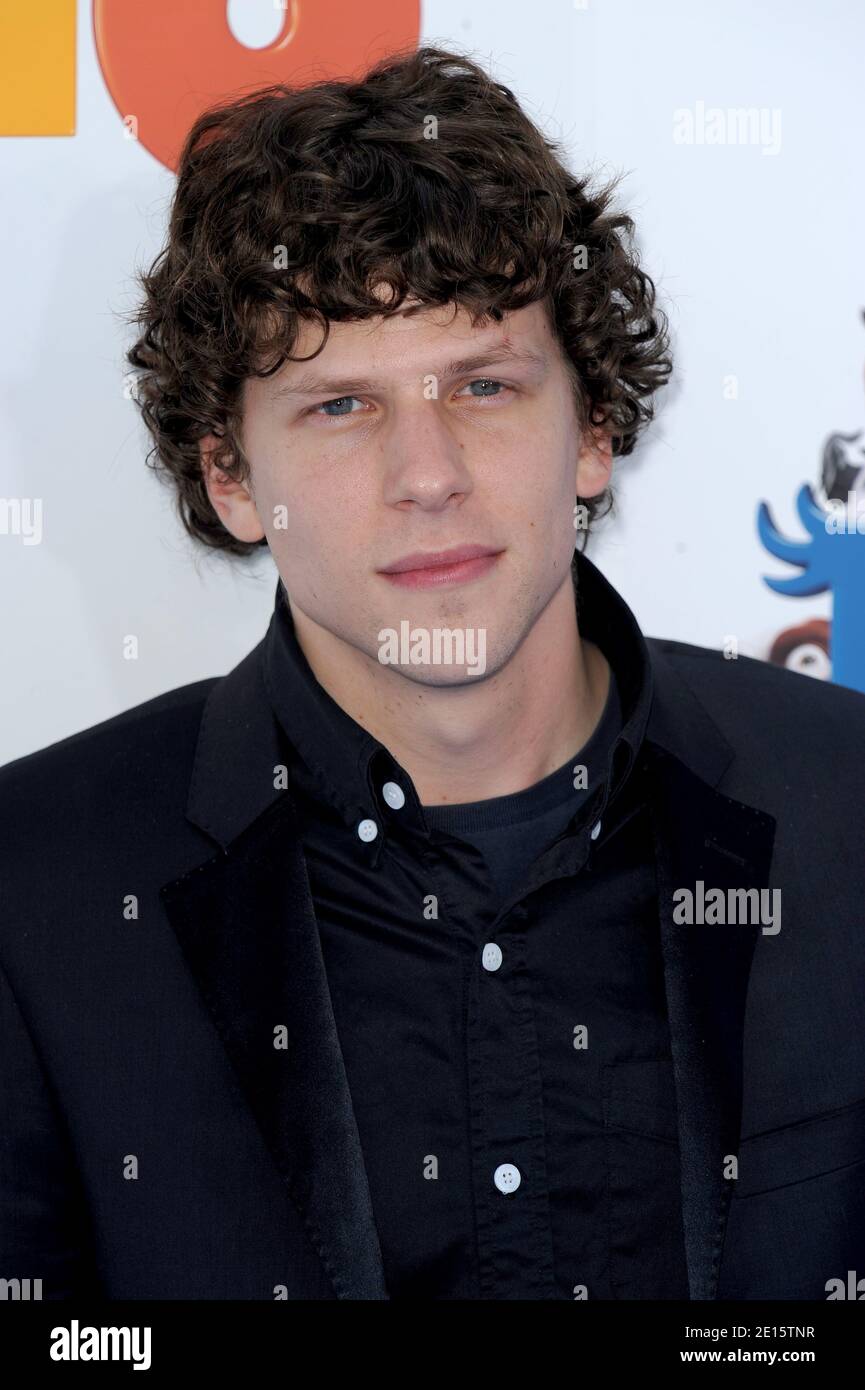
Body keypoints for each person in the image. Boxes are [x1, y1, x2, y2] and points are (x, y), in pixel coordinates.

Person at [2, 44, 864, 1303]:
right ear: (233, 480)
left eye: (484, 383)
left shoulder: (845, 811)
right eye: (341, 407)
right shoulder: (39, 893)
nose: (429, 473)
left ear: (594, 431)